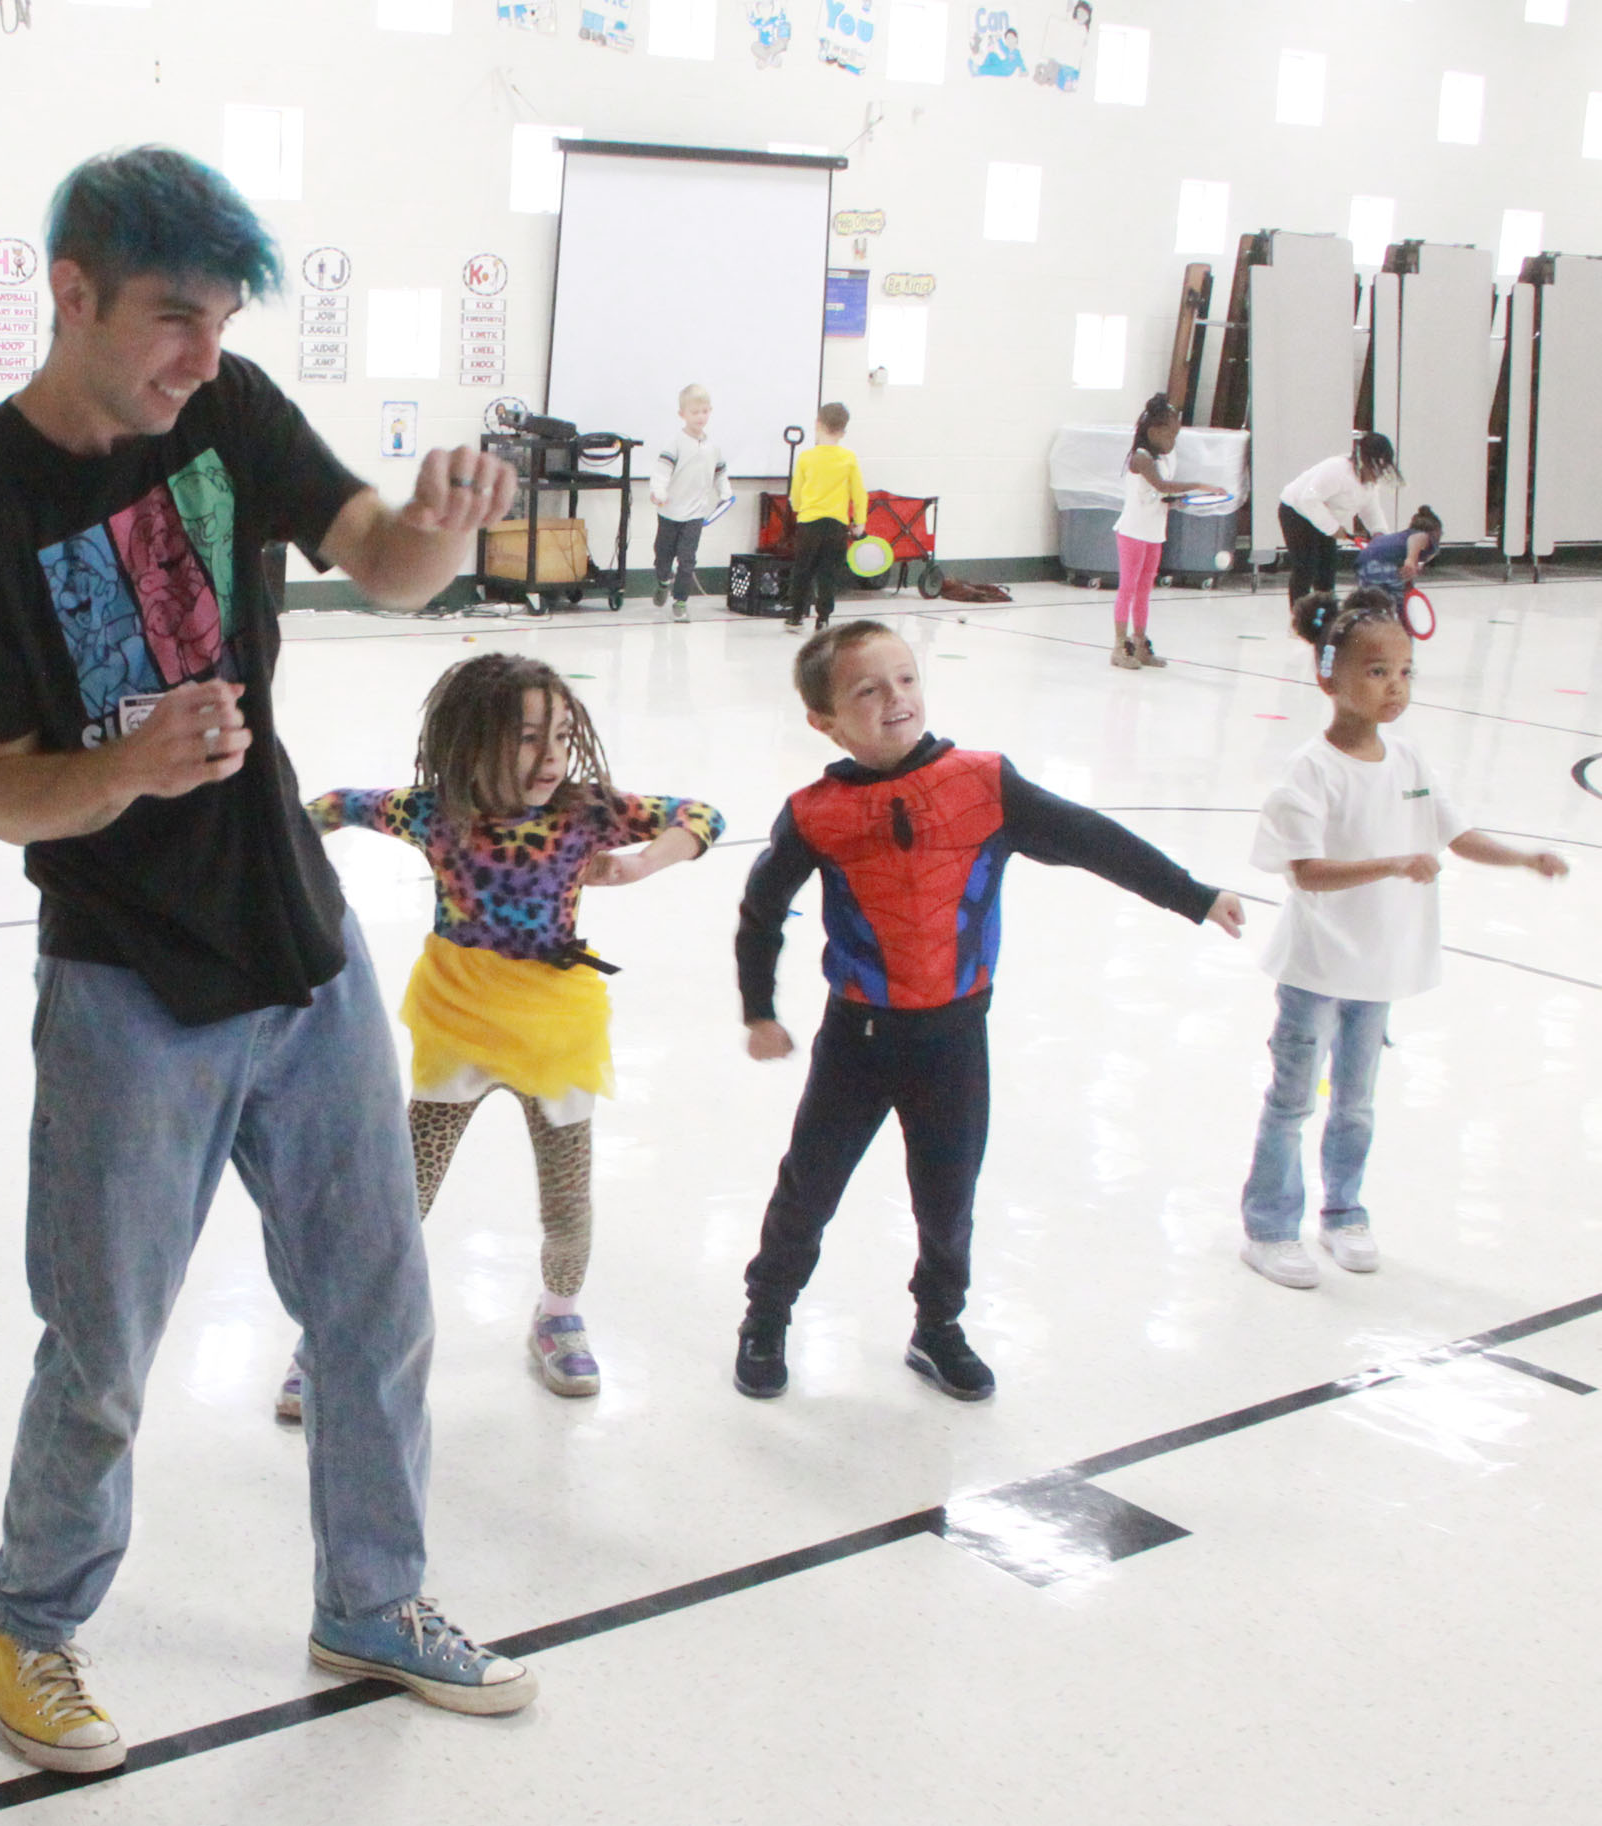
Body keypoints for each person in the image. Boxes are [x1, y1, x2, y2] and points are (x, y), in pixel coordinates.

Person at [0, 146, 541, 1775]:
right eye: (173, 319)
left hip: (298, 951)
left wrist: (440, 532)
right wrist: (128, 764)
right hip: (127, 989)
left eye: (223, 321)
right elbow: (1, 791)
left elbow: (380, 558)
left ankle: (373, 1602)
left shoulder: (230, 413)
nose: (199, 355)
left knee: (375, 1311)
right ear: (70, 292)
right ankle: (28, 1628)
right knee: (102, 1351)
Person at [732, 620, 1246, 1400]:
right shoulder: (815, 813)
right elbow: (761, 909)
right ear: (824, 722)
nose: (894, 699)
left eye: (904, 678)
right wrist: (758, 1009)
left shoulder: (982, 782)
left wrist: (1192, 896)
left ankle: (938, 1325)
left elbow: (1091, 839)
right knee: (809, 1187)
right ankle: (766, 1316)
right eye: (866, 690)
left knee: (949, 1201)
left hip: (953, 1042)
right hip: (857, 1042)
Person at [278, 653, 723, 1414]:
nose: (550, 757)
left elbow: (703, 815)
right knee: (402, 1194)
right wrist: (277, 853)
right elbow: (332, 805)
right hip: (458, 1022)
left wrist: (647, 863)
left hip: (557, 1032)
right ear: (471, 741)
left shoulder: (586, 812)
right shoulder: (434, 813)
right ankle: (335, 1333)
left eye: (559, 737)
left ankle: (557, 1315)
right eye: (525, 738)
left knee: (568, 1198)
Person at [1238, 590, 1567, 1288]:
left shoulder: (1409, 761)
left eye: (1406, 672)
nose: (1395, 687)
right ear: (1330, 677)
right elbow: (1307, 873)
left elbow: (1454, 831)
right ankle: (1269, 1226)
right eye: (1378, 671)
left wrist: (1522, 857)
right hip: (1317, 968)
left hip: (1378, 972)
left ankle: (1343, 1211)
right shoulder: (1312, 771)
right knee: (1293, 1101)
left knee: (1356, 1103)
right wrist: (1391, 862)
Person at [1110, 392, 1210, 671]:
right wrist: (1200, 486)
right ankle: (1119, 646)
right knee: (1127, 588)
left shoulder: (1167, 457)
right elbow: (1161, 486)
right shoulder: (1140, 457)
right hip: (1132, 531)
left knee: (1144, 590)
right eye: (1169, 435)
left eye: (1176, 436)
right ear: (1153, 431)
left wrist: (1175, 500)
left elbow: (1161, 493)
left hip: (1154, 532)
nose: (1173, 441)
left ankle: (1140, 643)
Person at [1277, 432, 1401, 607]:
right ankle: (1299, 620)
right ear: (1364, 460)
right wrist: (1333, 528)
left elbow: (1371, 509)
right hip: (1296, 512)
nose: (1379, 474)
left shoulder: (1370, 484)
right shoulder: (1337, 470)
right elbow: (1309, 499)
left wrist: (1379, 533)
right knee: (1306, 566)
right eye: (1376, 466)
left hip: (1325, 518)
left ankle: (1326, 615)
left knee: (1327, 569)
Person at [783, 402, 867, 635]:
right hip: (837, 524)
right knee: (828, 572)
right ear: (843, 432)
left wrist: (799, 509)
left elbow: (796, 493)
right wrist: (860, 522)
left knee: (803, 570)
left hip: (809, 522)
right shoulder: (849, 459)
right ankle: (823, 618)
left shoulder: (806, 458)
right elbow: (859, 493)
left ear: (817, 424)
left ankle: (796, 616)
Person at [650, 382, 729, 621]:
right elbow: (661, 472)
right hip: (669, 512)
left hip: (695, 514)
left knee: (687, 560)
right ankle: (664, 581)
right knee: (662, 556)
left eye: (704, 411)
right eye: (695, 412)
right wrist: (659, 491)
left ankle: (681, 601)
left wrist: (725, 492)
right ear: (682, 414)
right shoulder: (675, 444)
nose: (700, 416)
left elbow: (720, 473)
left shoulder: (713, 447)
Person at [1354, 504, 1442, 607]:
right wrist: (1410, 559)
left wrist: (1417, 563)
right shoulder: (1425, 537)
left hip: (1362, 564)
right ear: (1436, 532)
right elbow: (1417, 538)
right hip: (1382, 565)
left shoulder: (1399, 538)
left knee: (1369, 600)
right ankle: (1399, 617)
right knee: (1399, 602)